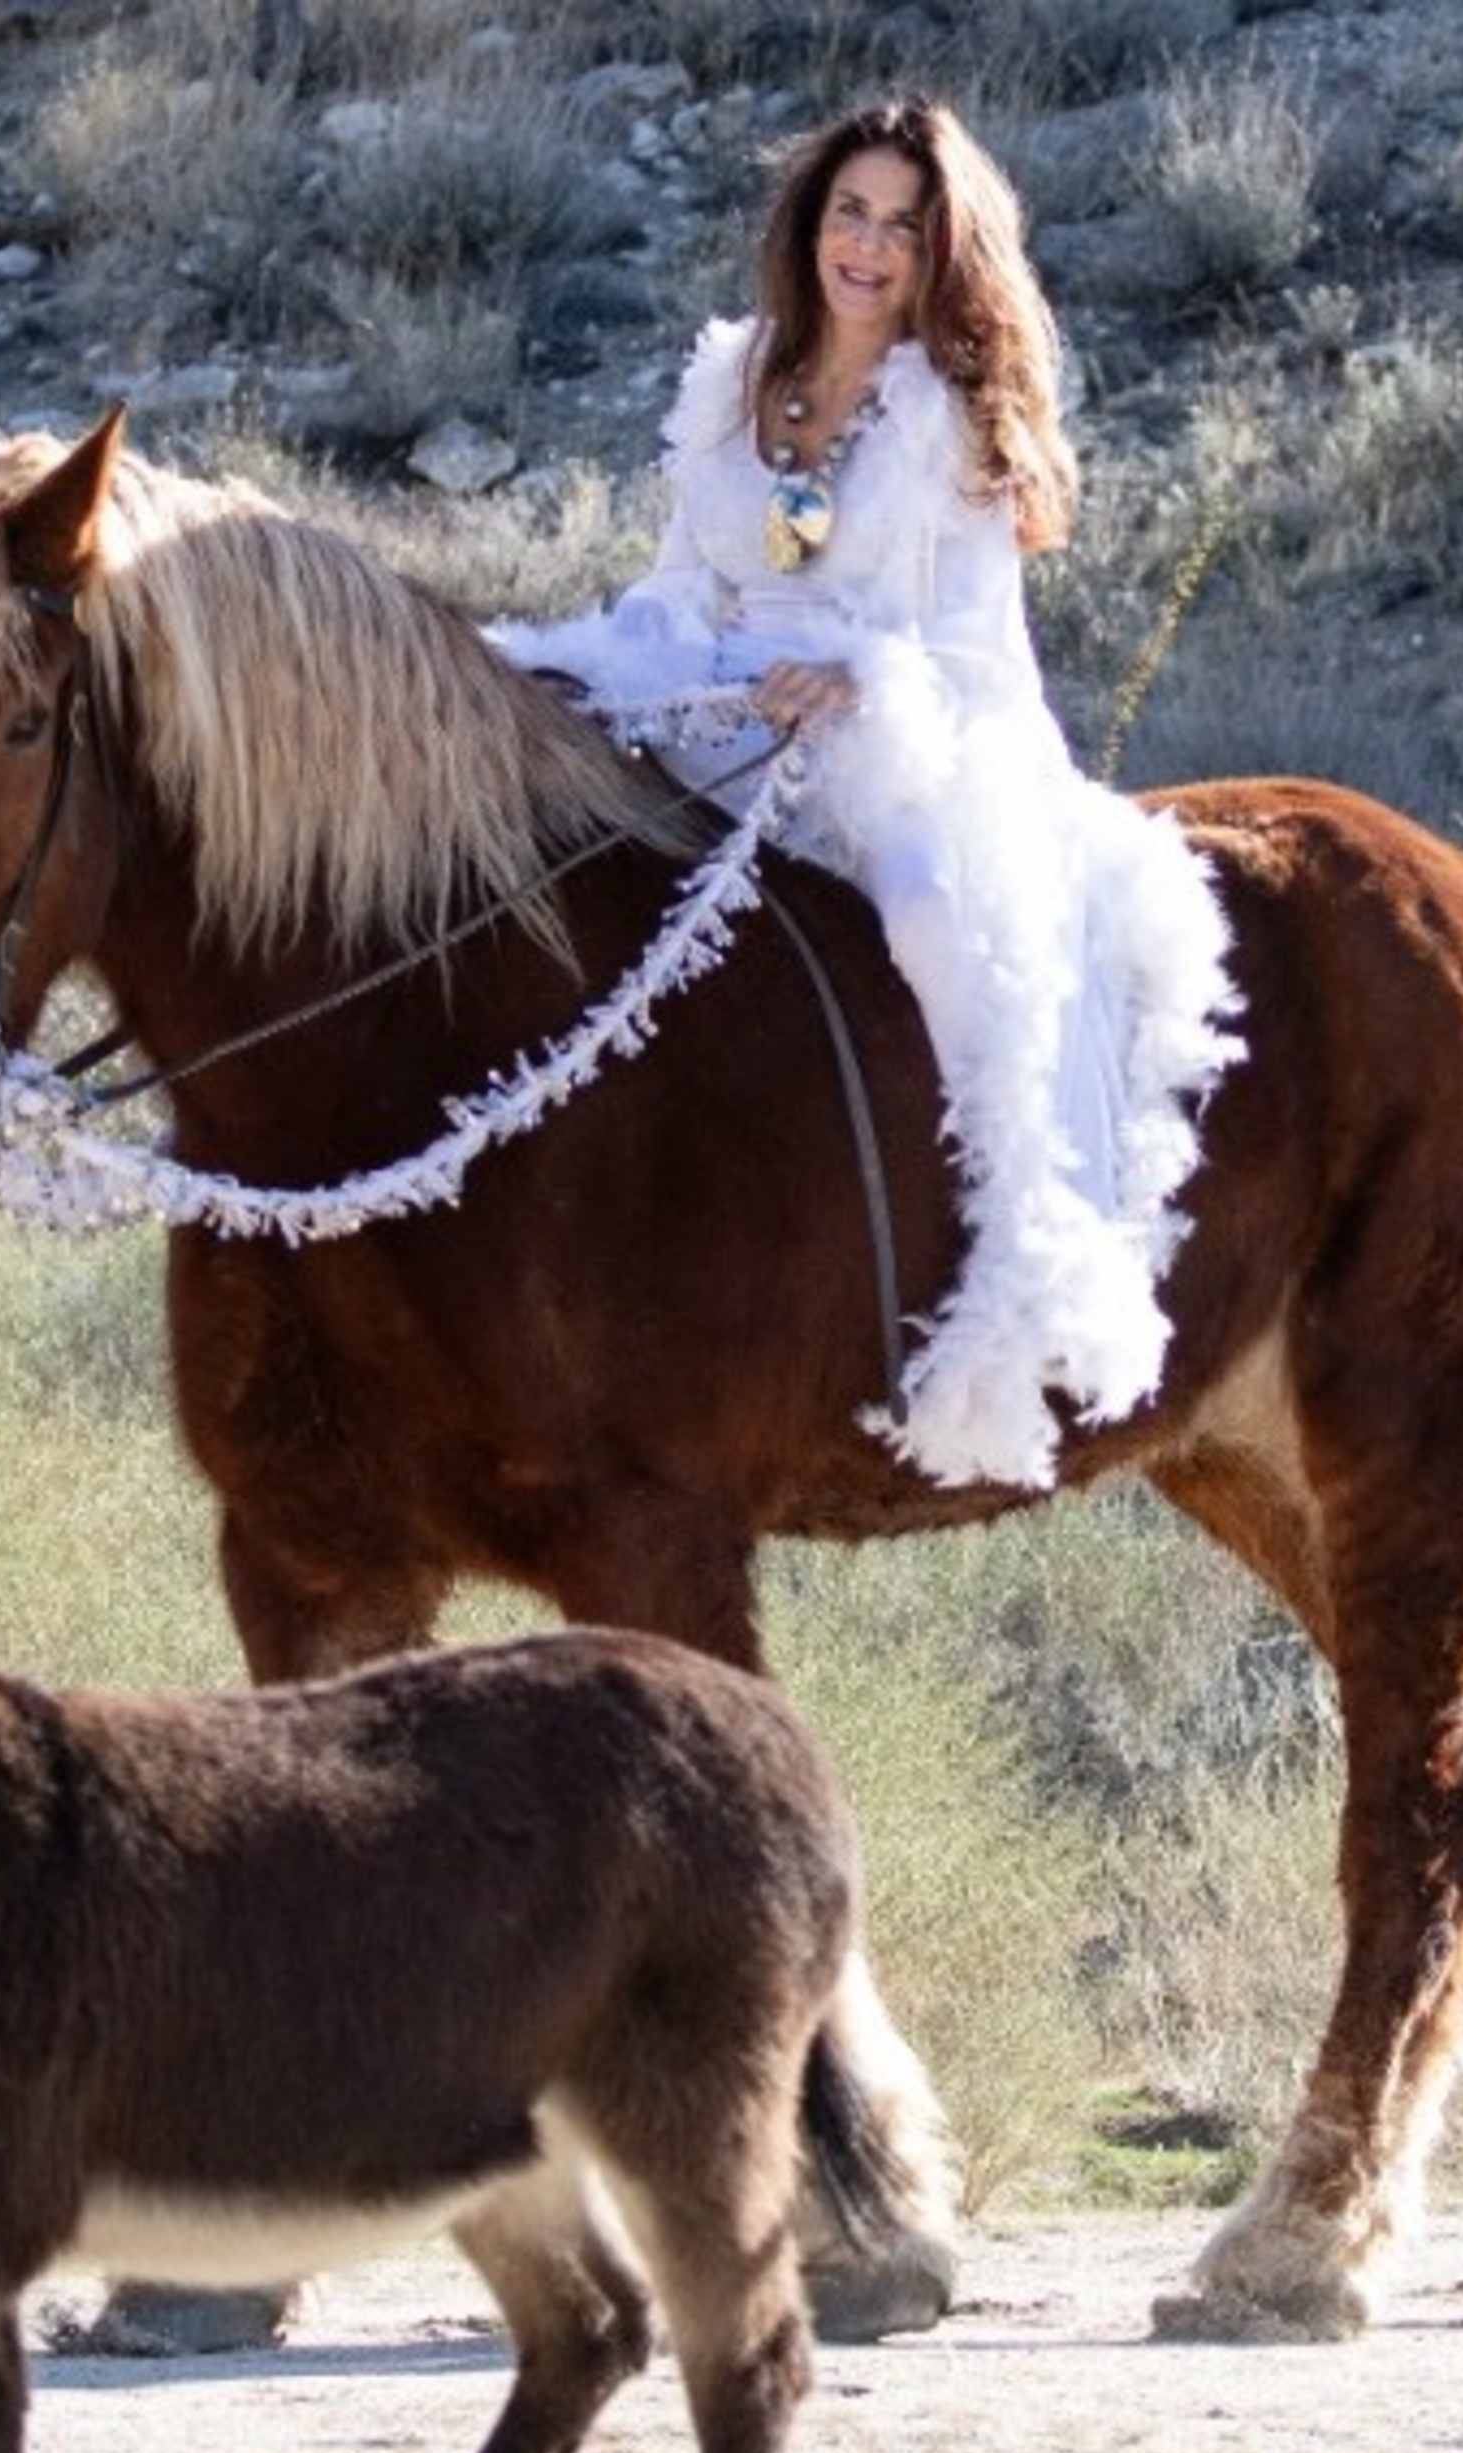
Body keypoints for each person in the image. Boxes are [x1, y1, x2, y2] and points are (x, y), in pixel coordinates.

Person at [493, 98, 1240, 1492]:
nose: (870, 246)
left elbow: (971, 645)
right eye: (852, 213)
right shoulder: (732, 383)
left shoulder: (955, 420)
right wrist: (642, 668)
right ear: (809, 224)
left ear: (939, 253)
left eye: (904, 225)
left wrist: (857, 682)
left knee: (932, 914)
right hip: (722, 701)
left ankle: (1018, 1242)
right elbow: (683, 582)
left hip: (913, 729)